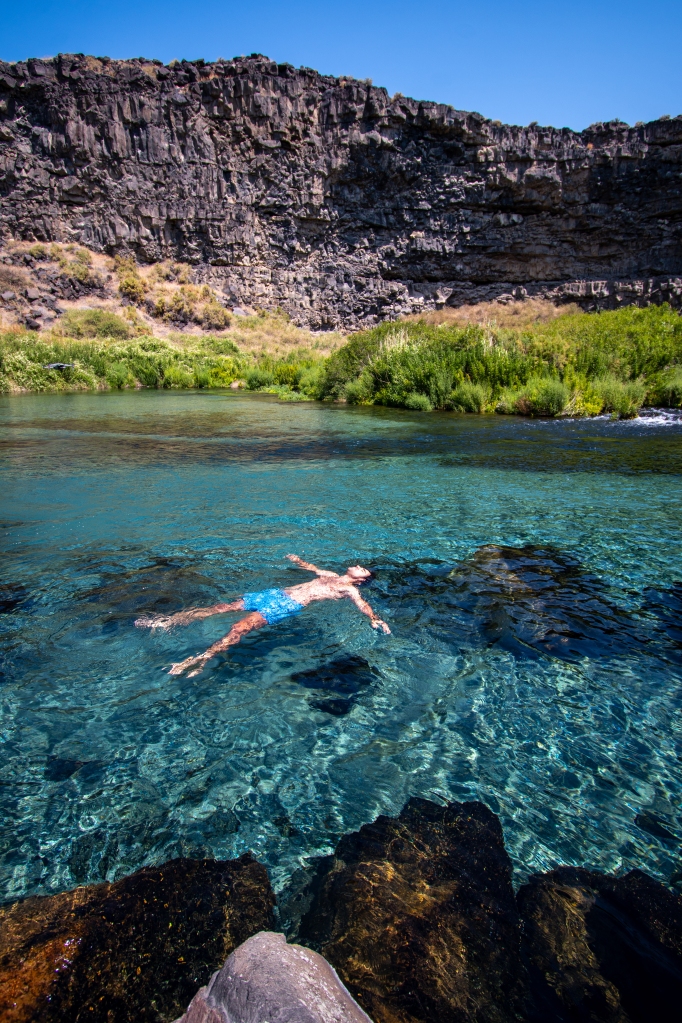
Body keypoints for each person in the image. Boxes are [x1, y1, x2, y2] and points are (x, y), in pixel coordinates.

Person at [135, 554, 390, 677]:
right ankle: (167, 621)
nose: (358, 566)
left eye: (362, 569)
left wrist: (374, 619)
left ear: (360, 581)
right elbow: (312, 568)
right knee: (222, 608)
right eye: (360, 565)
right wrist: (299, 561)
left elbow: (362, 604)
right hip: (272, 593)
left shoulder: (347, 589)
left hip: (286, 606)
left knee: (239, 628)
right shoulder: (330, 575)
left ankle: (201, 658)